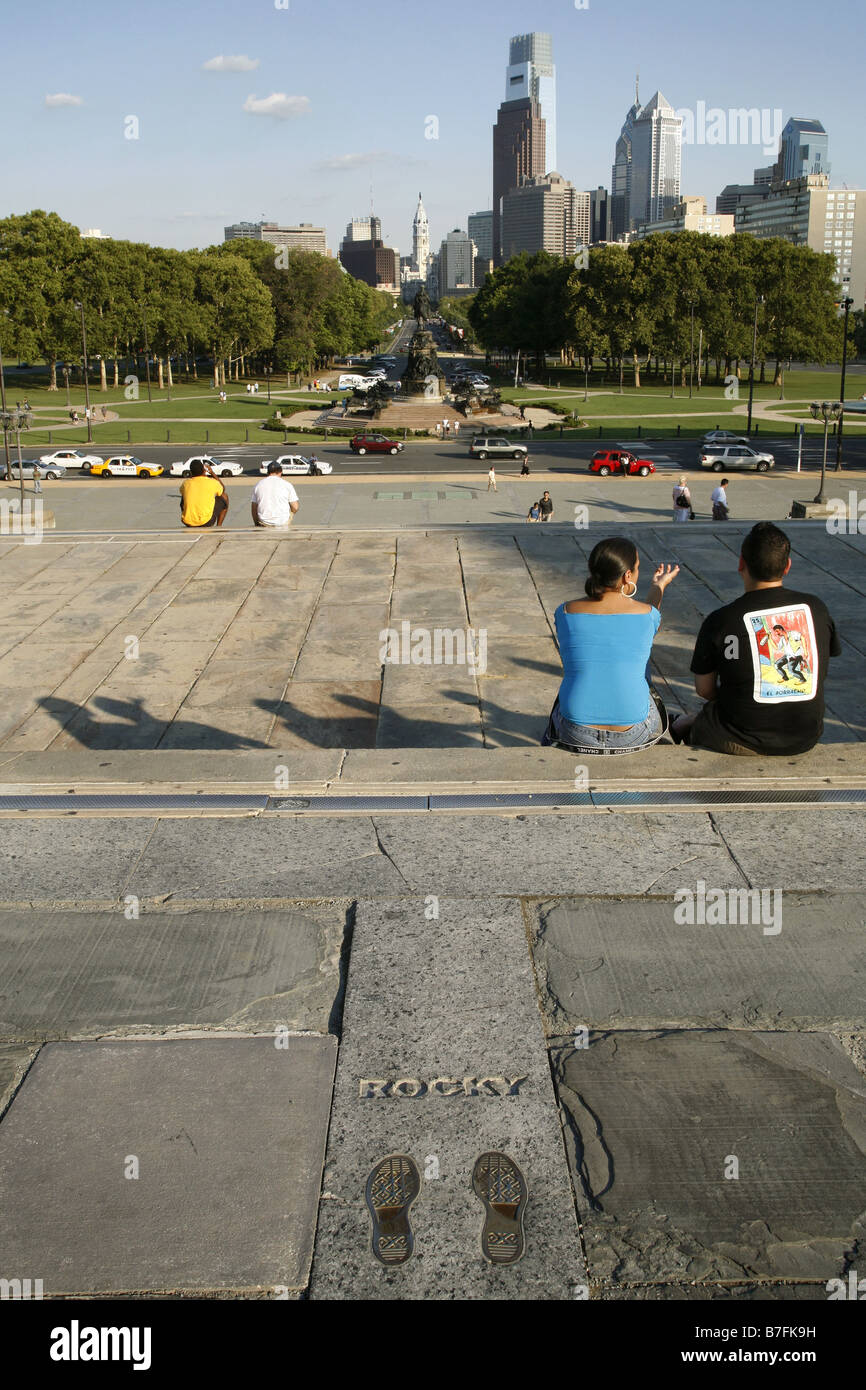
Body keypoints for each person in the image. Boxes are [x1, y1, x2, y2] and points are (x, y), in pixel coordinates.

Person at [671, 522, 841, 756]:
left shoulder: (720, 620)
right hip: (804, 735)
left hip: (741, 737)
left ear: (742, 564)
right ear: (787, 566)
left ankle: (685, 726)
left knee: (702, 720)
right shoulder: (817, 609)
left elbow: (704, 689)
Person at [542, 537, 680, 754]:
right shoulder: (647, 616)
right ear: (627, 576)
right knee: (639, 660)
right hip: (633, 731)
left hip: (575, 730)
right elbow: (650, 620)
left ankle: (550, 742)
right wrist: (659, 585)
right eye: (637, 568)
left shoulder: (565, 612)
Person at [179, 459, 228, 528]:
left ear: (191, 472)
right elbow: (222, 489)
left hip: (187, 522)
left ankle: (189, 517)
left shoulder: (186, 483)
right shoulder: (211, 482)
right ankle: (219, 526)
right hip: (206, 522)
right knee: (224, 496)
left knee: (184, 495)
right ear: (203, 470)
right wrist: (212, 473)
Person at [250, 460, 300, 528]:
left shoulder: (258, 485)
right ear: (281, 472)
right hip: (283, 522)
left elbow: (254, 508)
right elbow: (295, 507)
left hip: (264, 522)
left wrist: (256, 523)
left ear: (268, 472)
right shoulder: (287, 485)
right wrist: (290, 513)